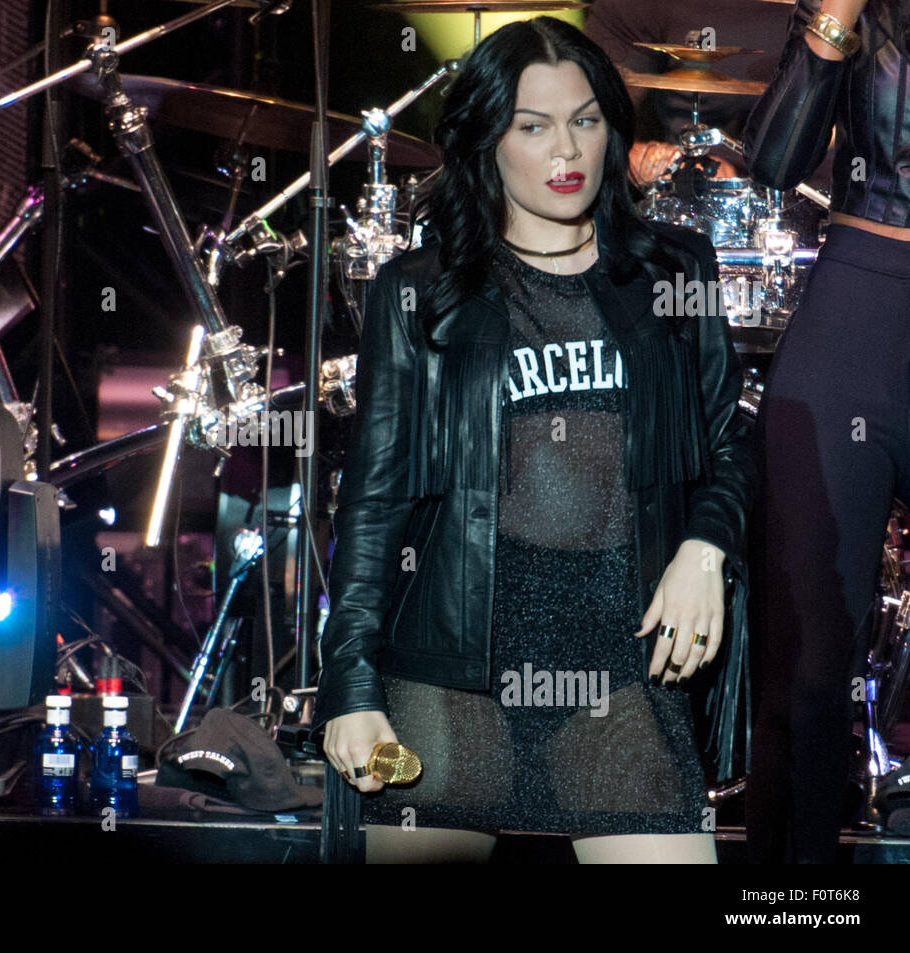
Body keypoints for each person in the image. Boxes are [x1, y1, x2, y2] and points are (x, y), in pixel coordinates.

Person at [310, 16, 755, 863]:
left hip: (621, 676)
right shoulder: (418, 292)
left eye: (585, 120)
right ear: (488, 140)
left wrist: (705, 549)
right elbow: (373, 501)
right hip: (450, 677)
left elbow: (729, 442)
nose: (567, 150)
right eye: (534, 125)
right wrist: (351, 684)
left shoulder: (674, 270)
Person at [742, 0, 910, 864]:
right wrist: (833, 19)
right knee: (806, 672)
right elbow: (773, 161)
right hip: (857, 311)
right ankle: (795, 906)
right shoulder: (864, 15)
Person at [586, 0, 810, 188]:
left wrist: (736, 169)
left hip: (811, 191)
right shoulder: (638, 7)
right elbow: (594, 113)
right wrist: (630, 156)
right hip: (688, 190)